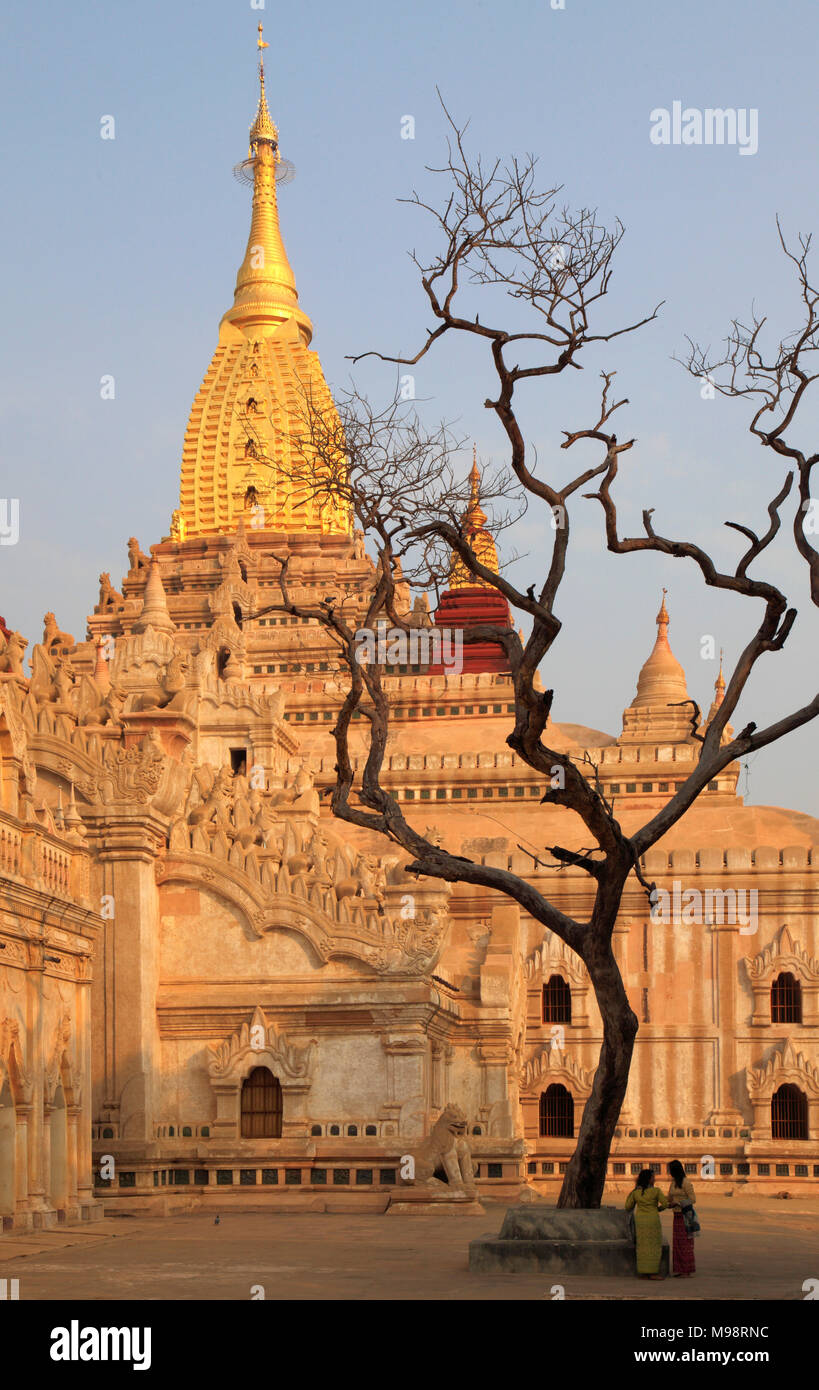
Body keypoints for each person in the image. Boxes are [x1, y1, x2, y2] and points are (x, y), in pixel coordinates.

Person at [625, 1168, 668, 1278]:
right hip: (653, 1220)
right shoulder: (656, 1191)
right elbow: (665, 1204)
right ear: (649, 1179)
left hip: (640, 1221)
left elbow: (628, 1206)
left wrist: (633, 1191)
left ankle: (643, 1272)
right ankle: (653, 1272)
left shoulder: (636, 1192)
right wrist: (657, 1209)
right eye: (653, 1177)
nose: (654, 1179)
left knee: (642, 1246)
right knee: (654, 1246)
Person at [667, 1160, 696, 1277]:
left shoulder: (686, 1182)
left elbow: (693, 1199)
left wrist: (678, 1203)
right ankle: (679, 1268)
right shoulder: (673, 1183)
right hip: (676, 1216)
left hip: (685, 1215)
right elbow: (669, 1197)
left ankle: (686, 1270)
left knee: (685, 1243)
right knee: (677, 1243)